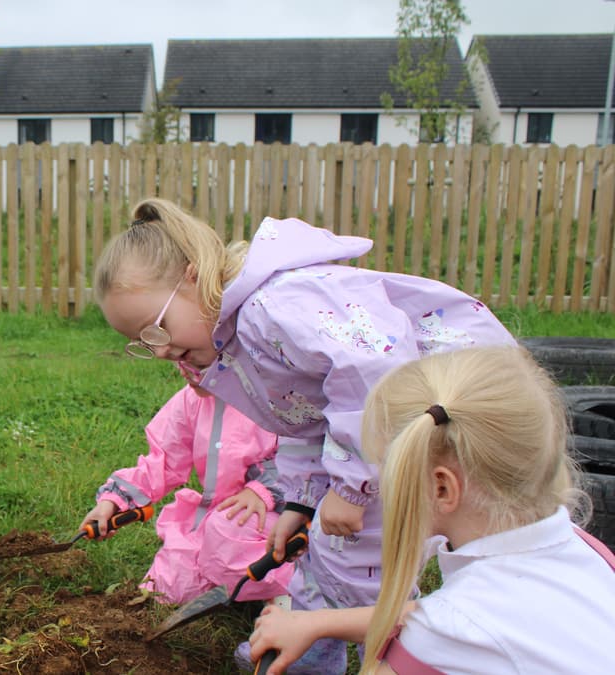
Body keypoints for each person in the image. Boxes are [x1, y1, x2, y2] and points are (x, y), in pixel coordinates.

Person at [92, 198, 516, 673]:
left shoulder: (274, 308)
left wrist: (351, 490)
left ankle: (394, 660)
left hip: (463, 413)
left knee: (363, 566)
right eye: (144, 343)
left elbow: (375, 375)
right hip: (394, 434)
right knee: (327, 547)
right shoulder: (234, 340)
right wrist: (304, 501)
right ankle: (303, 653)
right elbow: (301, 417)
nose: (163, 349)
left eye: (158, 328)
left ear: (192, 275)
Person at [247, 346, 615, 674]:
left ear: (442, 488)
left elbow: (442, 627)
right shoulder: (588, 551)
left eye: (385, 473)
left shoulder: (438, 642)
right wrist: (317, 623)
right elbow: (430, 620)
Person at [80, 380, 293, 605]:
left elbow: (307, 455)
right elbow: (162, 460)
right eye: (180, 360)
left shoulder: (277, 394)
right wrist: (114, 501)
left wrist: (263, 489)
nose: (188, 372)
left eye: (197, 361)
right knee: (168, 590)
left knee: (226, 532)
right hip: (218, 514)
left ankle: (294, 585)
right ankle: (244, 584)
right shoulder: (193, 399)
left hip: (284, 511)